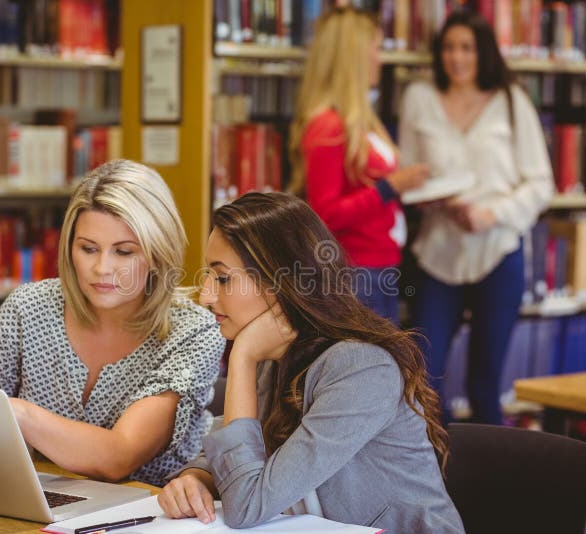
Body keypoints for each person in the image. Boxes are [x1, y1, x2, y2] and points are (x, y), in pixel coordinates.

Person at [158, 192, 464, 533]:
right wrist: (197, 477)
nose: (206, 296)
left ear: (280, 283)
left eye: (223, 278)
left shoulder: (361, 369)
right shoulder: (278, 357)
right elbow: (239, 445)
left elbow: (246, 505)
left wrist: (242, 358)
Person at [0, 160, 225, 486]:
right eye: (88, 248)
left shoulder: (193, 331)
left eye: (124, 252)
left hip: (152, 515)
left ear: (158, 252)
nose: (102, 268)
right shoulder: (27, 308)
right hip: (42, 504)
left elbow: (120, 457)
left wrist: (16, 412)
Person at [399, 10, 554, 425]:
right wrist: (440, 202)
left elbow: (541, 184)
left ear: (483, 52)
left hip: (498, 252)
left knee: (486, 382)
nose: (457, 57)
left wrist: (492, 214)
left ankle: (491, 481)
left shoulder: (511, 100)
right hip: (437, 254)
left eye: (466, 47)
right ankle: (439, 475)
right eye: (448, 47)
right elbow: (406, 179)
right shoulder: (419, 98)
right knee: (423, 377)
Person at [288, 6, 430, 323]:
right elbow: (324, 214)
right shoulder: (328, 127)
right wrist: (389, 187)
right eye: (376, 48)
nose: (381, 58)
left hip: (380, 268)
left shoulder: (361, 122)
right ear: (354, 57)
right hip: (357, 273)